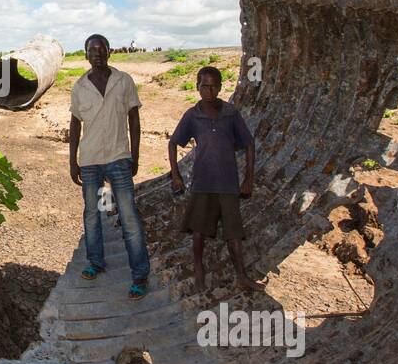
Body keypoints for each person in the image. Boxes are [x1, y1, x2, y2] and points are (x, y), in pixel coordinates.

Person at [68, 34, 152, 298]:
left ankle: (139, 275)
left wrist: (134, 156)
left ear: (109, 51)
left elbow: (134, 121)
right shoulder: (79, 87)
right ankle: (95, 262)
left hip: (118, 157)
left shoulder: (124, 81)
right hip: (90, 159)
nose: (97, 53)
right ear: (86, 56)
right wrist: (72, 161)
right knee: (92, 214)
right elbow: (75, 125)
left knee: (128, 215)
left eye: (101, 48)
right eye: (92, 50)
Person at [168, 65, 264, 293]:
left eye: (213, 86)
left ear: (220, 87)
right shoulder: (193, 115)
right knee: (199, 231)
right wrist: (176, 175)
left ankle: (242, 276)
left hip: (228, 182)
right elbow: (173, 143)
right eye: (204, 86)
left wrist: (249, 178)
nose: (209, 91)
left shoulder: (231, 113)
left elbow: (248, 144)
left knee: (234, 233)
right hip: (202, 181)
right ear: (197, 87)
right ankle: (199, 273)